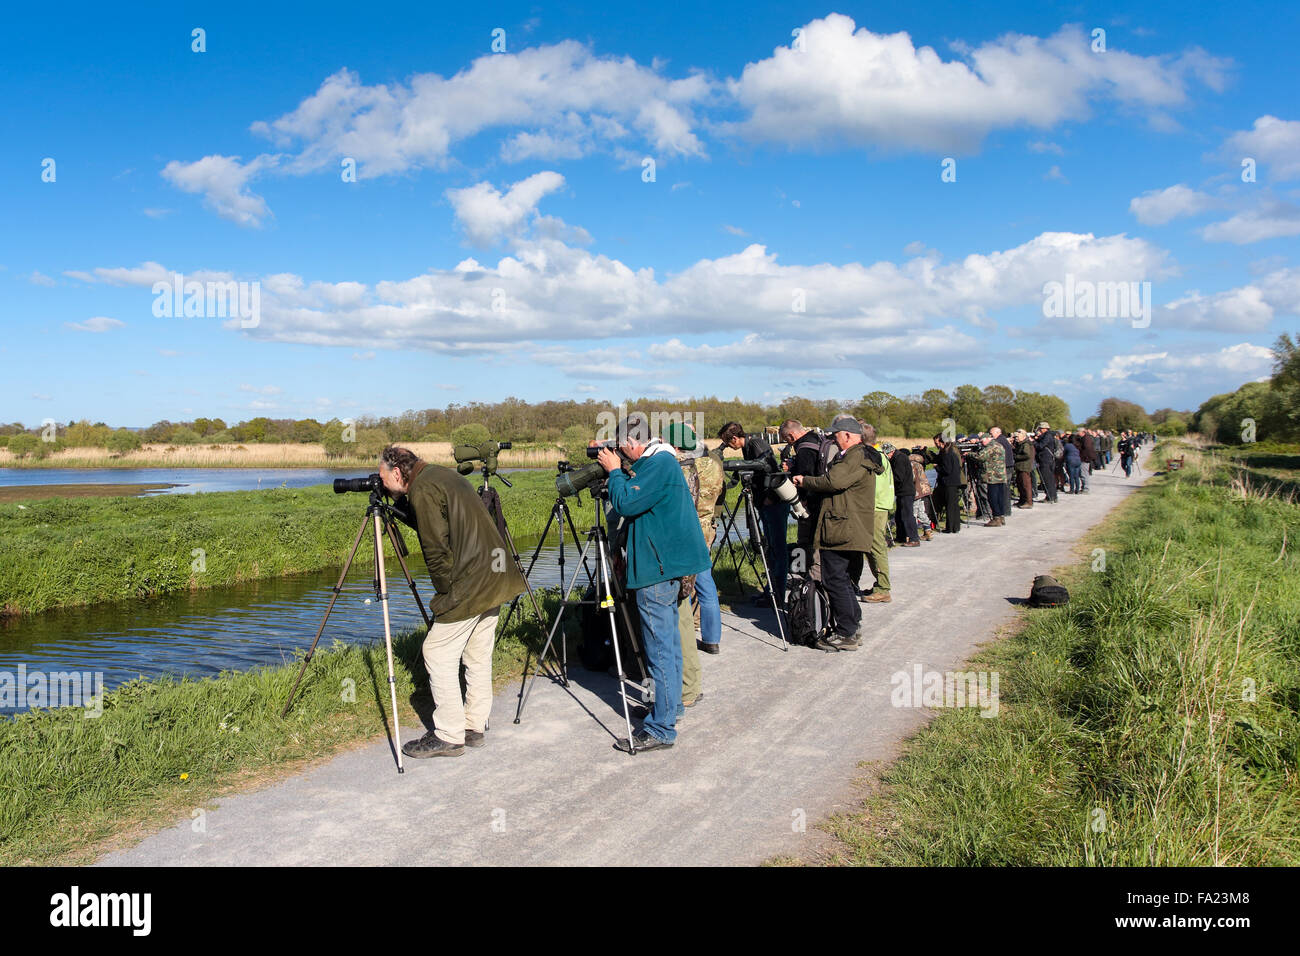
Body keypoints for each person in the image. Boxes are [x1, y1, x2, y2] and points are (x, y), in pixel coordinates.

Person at [380, 445, 527, 759]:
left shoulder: (422, 489)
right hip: (495, 574)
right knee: (476, 654)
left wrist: (446, 596)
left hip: (471, 581)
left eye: (384, 479)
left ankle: (448, 734)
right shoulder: (440, 475)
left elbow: (435, 549)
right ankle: (473, 726)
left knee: (436, 651)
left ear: (396, 473)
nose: (383, 486)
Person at [597, 413, 710, 753]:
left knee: (660, 649)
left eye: (620, 448)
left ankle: (661, 729)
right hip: (668, 565)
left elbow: (628, 502)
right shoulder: (662, 461)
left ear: (633, 443)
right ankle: (669, 709)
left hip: (658, 570)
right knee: (670, 645)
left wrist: (614, 472)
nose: (618, 452)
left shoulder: (660, 463)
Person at [790, 415, 880, 651]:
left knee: (834, 578)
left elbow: (833, 482)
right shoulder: (861, 456)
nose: (833, 439)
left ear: (848, 435)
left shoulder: (854, 457)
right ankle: (852, 625)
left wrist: (804, 481)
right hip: (851, 526)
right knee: (844, 579)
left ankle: (846, 632)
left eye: (836, 435)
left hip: (842, 528)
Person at [718, 422, 789, 603]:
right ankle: (770, 590)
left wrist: (770, 497)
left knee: (777, 549)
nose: (729, 447)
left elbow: (772, 470)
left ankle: (777, 594)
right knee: (771, 548)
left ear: (734, 438)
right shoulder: (749, 445)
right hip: (765, 503)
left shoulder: (756, 444)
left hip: (773, 504)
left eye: (728, 443)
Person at [779, 419, 833, 580]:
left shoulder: (804, 448)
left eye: (785, 439)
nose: (786, 442)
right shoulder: (818, 438)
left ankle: (801, 573)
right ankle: (813, 572)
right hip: (825, 499)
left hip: (811, 503)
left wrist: (790, 469)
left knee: (804, 541)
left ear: (791, 435)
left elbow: (804, 478)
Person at [860, 425, 892, 603]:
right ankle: (880, 584)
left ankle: (883, 588)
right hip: (880, 505)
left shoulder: (873, 457)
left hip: (875, 506)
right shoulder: (879, 453)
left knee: (876, 546)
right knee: (873, 546)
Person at [884, 442, 919, 546]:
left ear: (891, 452)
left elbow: (899, 477)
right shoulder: (899, 457)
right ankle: (902, 536)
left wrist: (888, 480)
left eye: (887, 455)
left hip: (906, 491)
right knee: (899, 515)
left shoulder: (899, 459)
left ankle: (913, 538)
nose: (887, 457)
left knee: (907, 515)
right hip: (902, 491)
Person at [928, 434, 963, 532]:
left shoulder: (947, 454)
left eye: (937, 443)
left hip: (949, 482)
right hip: (954, 482)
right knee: (954, 505)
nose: (936, 445)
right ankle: (955, 527)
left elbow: (947, 470)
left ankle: (950, 527)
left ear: (942, 443)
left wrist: (937, 467)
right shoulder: (950, 451)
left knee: (950, 505)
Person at [977, 432, 1008, 526]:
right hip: (1001, 475)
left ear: (987, 439)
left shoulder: (990, 447)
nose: (981, 443)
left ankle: (996, 517)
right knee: (1000, 497)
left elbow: (980, 457)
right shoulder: (999, 445)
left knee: (992, 497)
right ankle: (1001, 516)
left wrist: (969, 454)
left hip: (993, 476)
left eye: (982, 441)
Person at [991, 426, 1015, 518]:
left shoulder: (999, 441)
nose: (991, 436)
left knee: (1004, 489)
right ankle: (1006, 510)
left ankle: (1005, 510)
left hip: (1005, 467)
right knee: (1006, 488)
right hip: (1008, 466)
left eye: (991, 434)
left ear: (997, 433)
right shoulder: (1003, 439)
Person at [1033, 422, 1059, 503]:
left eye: (1040, 429)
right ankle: (1053, 496)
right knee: (1050, 479)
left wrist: (1034, 442)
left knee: (1047, 479)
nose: (1039, 430)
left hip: (1045, 460)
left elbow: (1041, 446)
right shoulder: (1049, 435)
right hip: (1049, 460)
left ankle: (1049, 497)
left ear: (1044, 429)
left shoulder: (1047, 436)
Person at [1013, 429, 1035, 508]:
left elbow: (1027, 455)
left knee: (1026, 485)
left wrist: (1016, 457)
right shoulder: (1021, 444)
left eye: (1018, 436)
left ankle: (1029, 502)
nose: (1016, 438)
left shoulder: (1026, 444)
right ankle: (1022, 500)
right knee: (1020, 485)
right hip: (1020, 466)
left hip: (1024, 467)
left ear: (1023, 436)